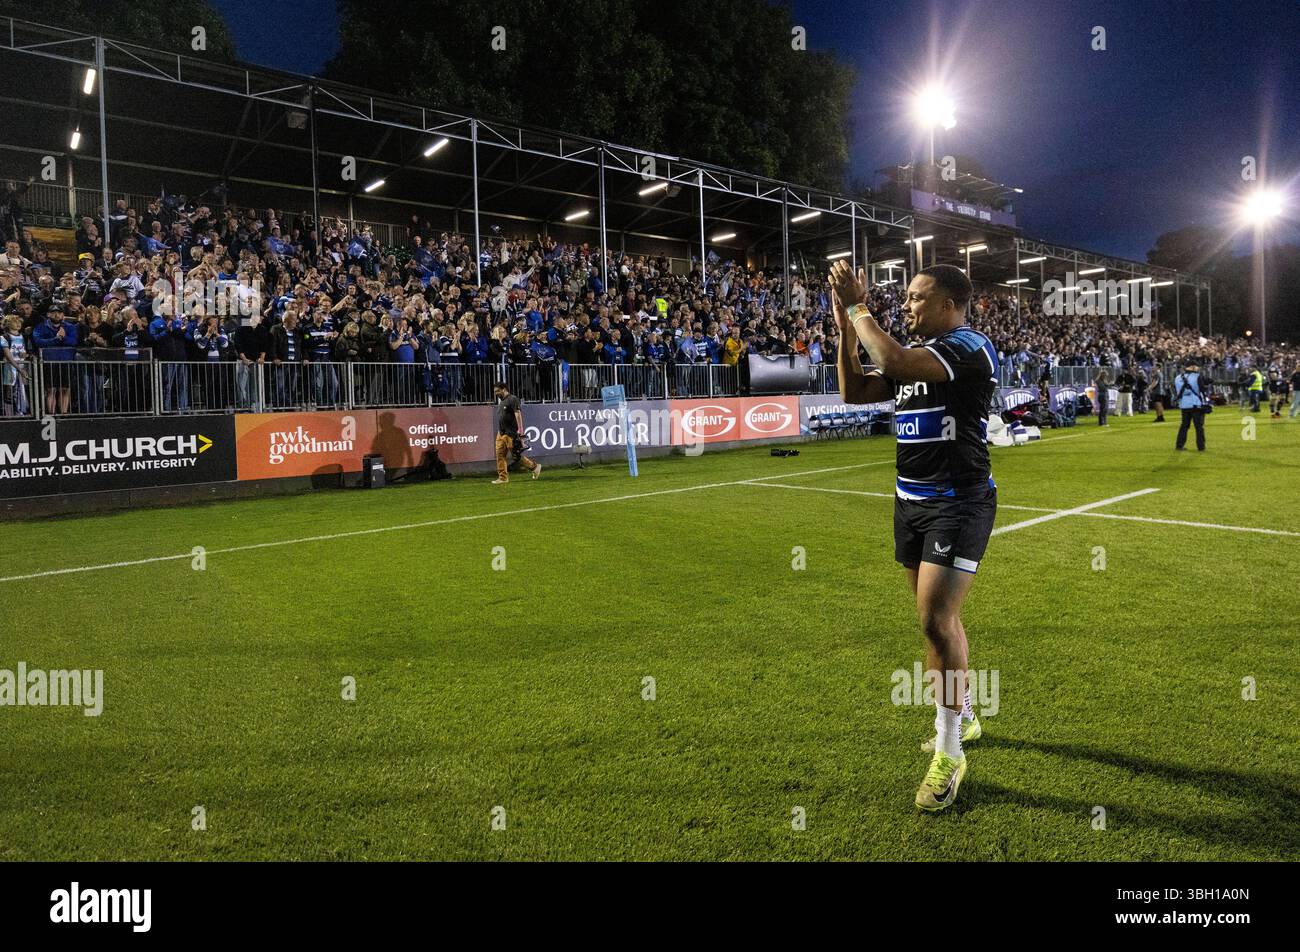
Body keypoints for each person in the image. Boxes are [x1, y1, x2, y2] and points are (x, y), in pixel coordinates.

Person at [829, 260, 997, 813]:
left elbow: (893, 358)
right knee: (936, 623)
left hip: (959, 503)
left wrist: (859, 308)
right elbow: (854, 391)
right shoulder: (914, 355)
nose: (907, 306)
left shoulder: (968, 346)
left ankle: (950, 753)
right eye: (905, 299)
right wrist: (842, 325)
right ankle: (965, 716)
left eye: (917, 298)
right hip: (910, 504)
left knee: (934, 619)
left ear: (949, 304)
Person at [490, 381, 541, 485]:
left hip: (510, 433)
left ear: (504, 389)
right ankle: (503, 478)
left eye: (497, 391)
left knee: (516, 456)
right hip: (501, 433)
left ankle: (534, 467)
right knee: (500, 455)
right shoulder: (502, 402)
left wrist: (521, 431)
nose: (496, 394)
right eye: (495, 392)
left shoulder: (512, 399)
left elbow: (518, 415)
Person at [1172, 358, 1208, 452]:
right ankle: (1201, 447)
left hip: (1184, 404)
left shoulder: (1178, 377)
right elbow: (1203, 390)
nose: (1198, 368)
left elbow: (1176, 390)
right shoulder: (1197, 376)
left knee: (1184, 426)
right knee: (1199, 426)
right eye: (1197, 366)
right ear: (1192, 367)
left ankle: (1179, 445)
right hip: (1196, 404)